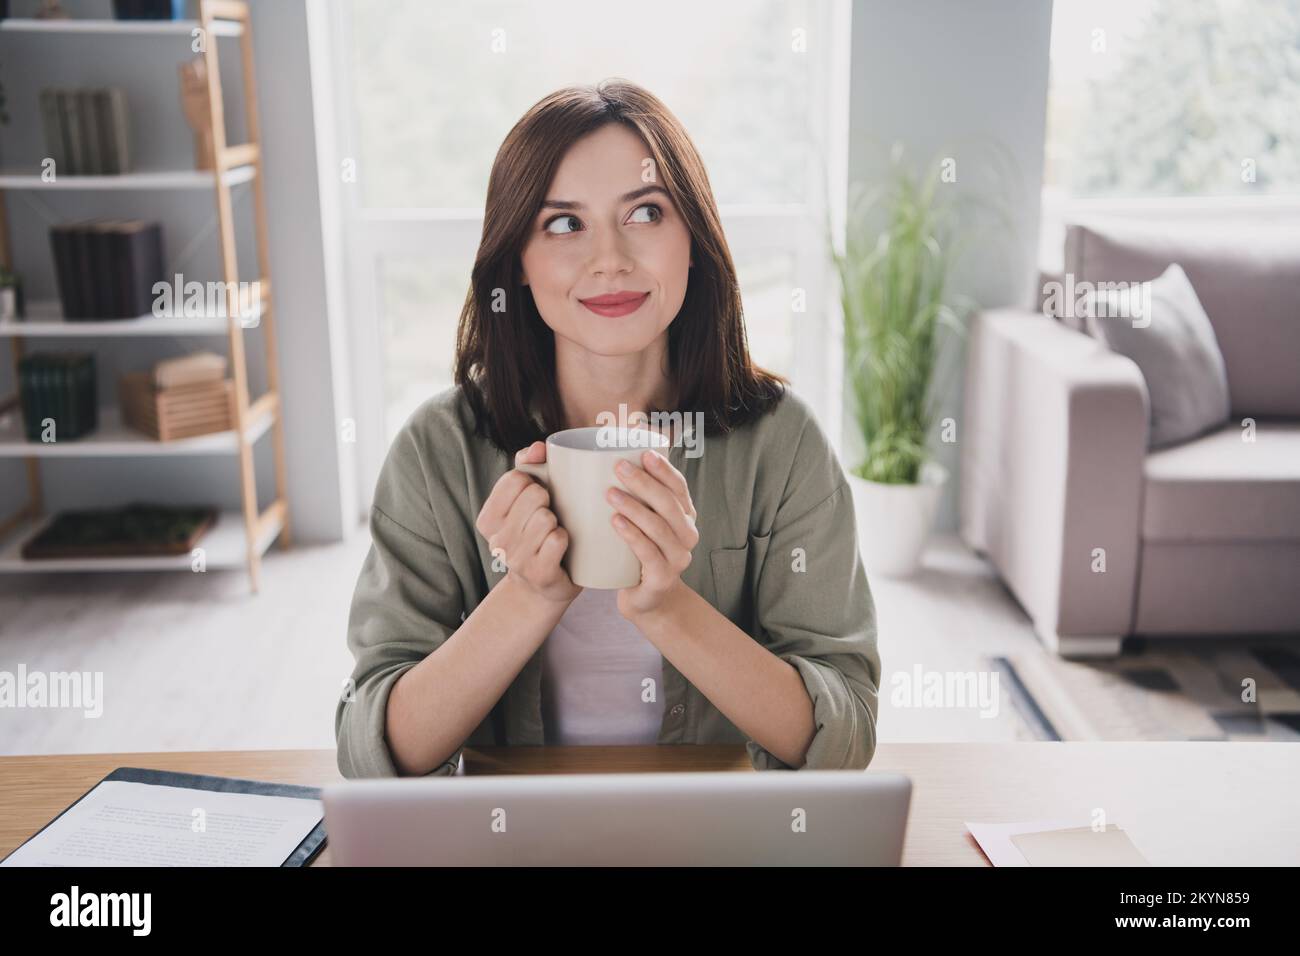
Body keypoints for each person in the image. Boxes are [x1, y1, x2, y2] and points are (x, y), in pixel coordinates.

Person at [336, 79, 880, 777]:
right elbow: (370, 751)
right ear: (519, 264)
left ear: (695, 241)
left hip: (715, 836)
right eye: (564, 223)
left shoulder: (784, 443)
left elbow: (844, 738)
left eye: (646, 213)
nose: (611, 259)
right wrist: (527, 595)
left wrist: (668, 609)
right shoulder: (435, 451)